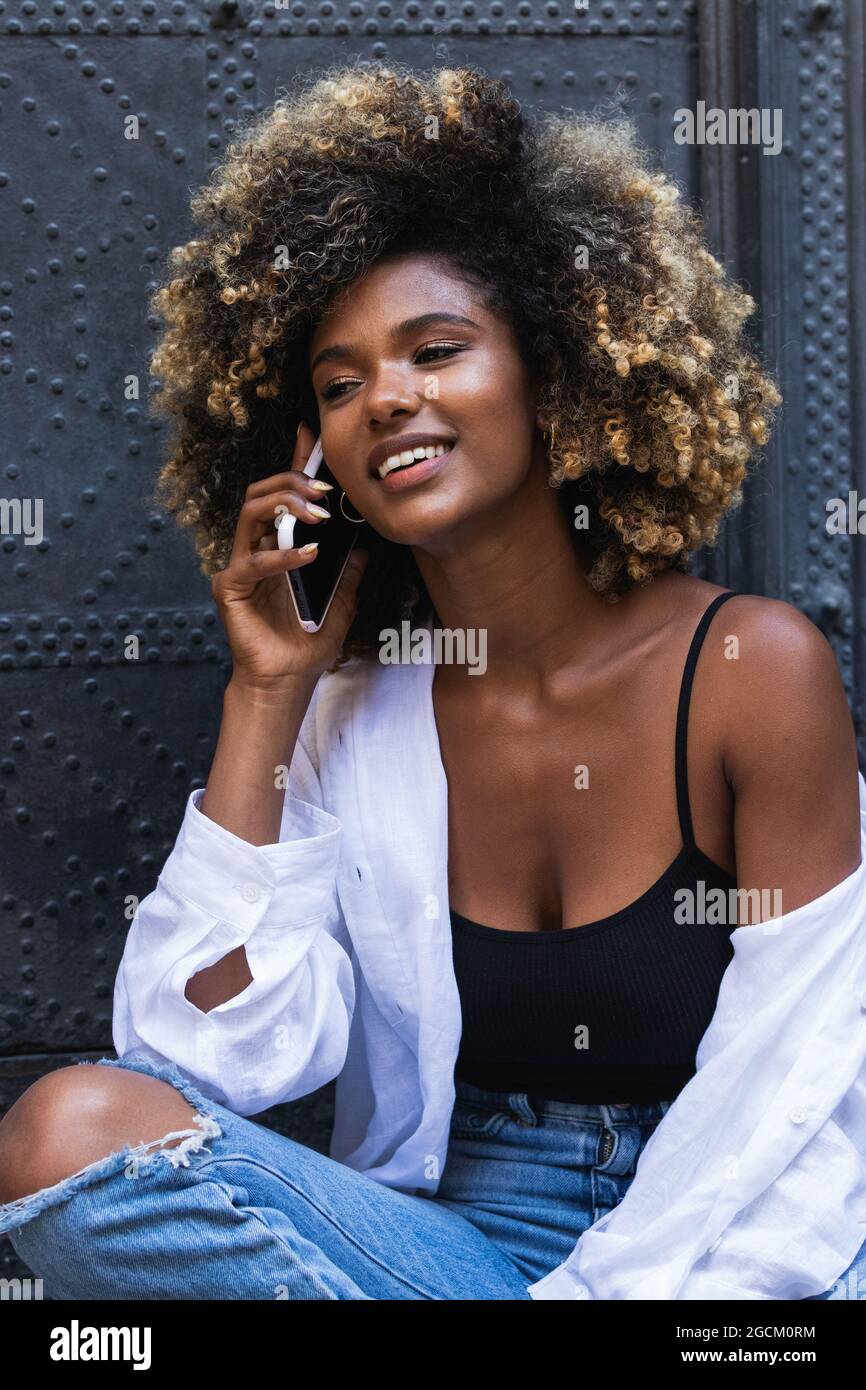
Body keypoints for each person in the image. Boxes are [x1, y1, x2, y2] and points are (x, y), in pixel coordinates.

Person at [0, 62, 863, 1301]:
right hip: (461, 1239)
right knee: (66, 1131)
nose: (384, 399)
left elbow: (796, 1087)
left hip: (736, 1212)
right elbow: (211, 1061)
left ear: (557, 376)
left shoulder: (748, 670)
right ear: (312, 454)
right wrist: (266, 697)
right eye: (338, 384)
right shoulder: (352, 709)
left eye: (435, 350)